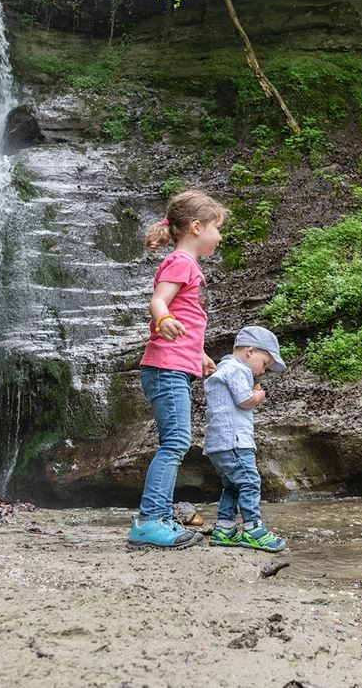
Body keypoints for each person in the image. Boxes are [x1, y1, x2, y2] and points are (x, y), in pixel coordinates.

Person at [127, 190, 228, 550]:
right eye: (217, 228)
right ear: (197, 227)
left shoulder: (188, 264)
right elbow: (159, 301)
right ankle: (151, 521)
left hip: (176, 367)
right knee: (175, 442)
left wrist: (198, 354)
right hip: (165, 369)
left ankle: (159, 517)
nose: (219, 236)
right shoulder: (181, 263)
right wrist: (164, 317)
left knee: (175, 442)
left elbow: (186, 319)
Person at [203, 325, 288, 553]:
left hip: (218, 445)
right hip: (235, 442)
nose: (262, 372)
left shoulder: (222, 369)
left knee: (232, 486)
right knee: (250, 482)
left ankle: (224, 528)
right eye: (265, 364)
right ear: (250, 351)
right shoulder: (237, 370)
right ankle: (253, 530)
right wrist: (258, 396)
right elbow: (244, 400)